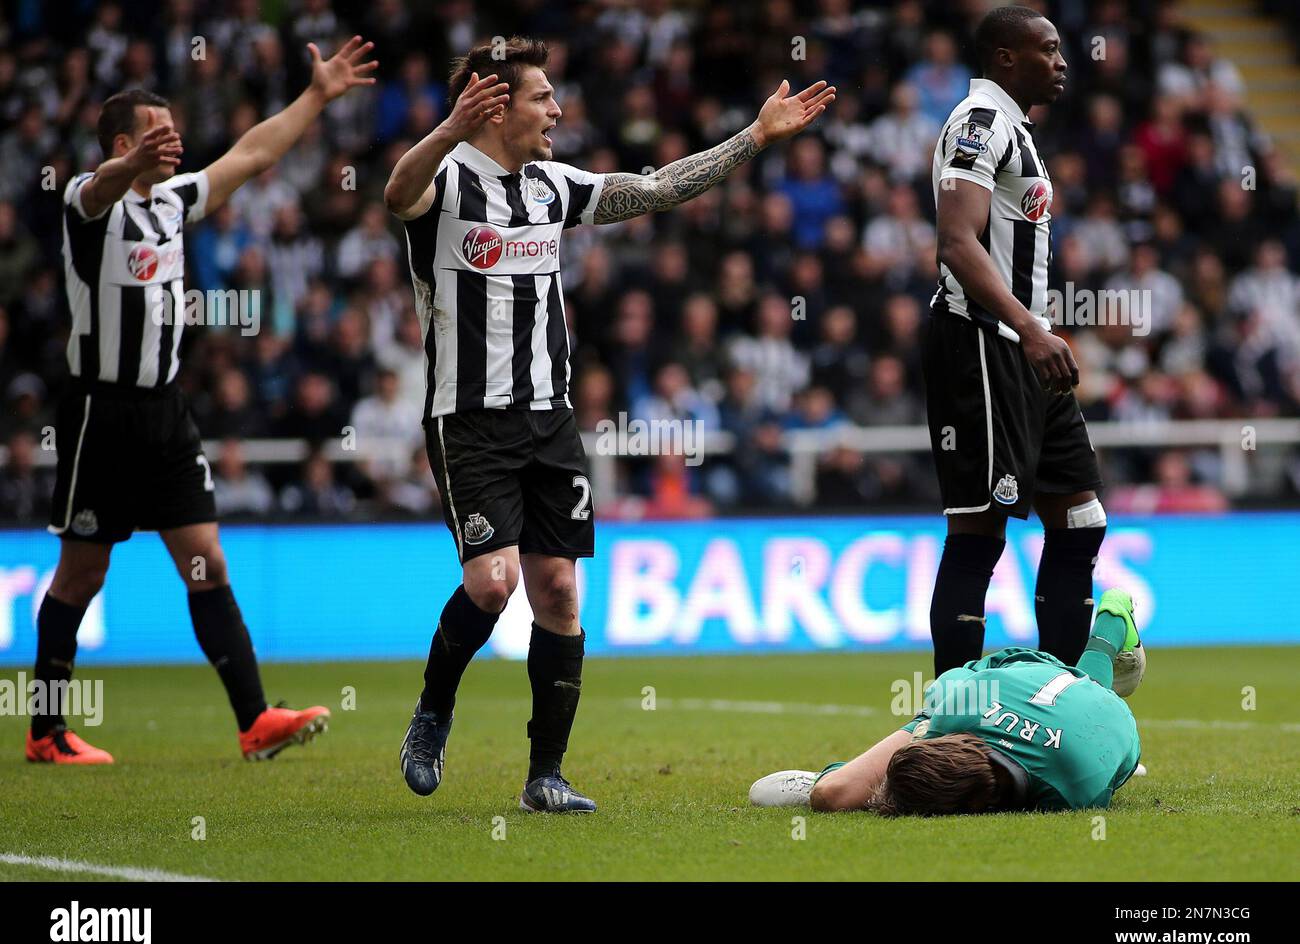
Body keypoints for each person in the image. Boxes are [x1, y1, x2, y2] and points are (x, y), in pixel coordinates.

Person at [384, 35, 834, 813]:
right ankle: (433, 711)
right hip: (470, 422)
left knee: (559, 591)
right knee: (492, 583)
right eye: (542, 97)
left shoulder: (552, 187)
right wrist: (451, 126)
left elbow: (655, 188)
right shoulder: (445, 183)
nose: (557, 110)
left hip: (551, 422)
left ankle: (545, 775)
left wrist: (755, 137)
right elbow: (397, 192)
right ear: (496, 106)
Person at [29, 36, 378, 766]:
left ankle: (256, 721)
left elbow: (252, 153)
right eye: (156, 133)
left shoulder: (174, 201)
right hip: (101, 413)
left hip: (165, 412)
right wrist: (130, 163)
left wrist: (316, 95)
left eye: (173, 131)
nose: (174, 142)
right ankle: (45, 729)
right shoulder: (89, 203)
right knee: (82, 574)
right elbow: (100, 186)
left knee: (207, 561)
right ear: (122, 143)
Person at [924, 6, 1105, 679]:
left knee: (1081, 519)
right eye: (1048, 50)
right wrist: (1030, 328)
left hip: (1029, 346)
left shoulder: (1015, 129)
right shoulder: (978, 123)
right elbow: (955, 241)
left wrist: (1037, 330)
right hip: (983, 341)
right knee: (980, 530)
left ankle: (1058, 702)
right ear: (1005, 56)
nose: (1062, 62)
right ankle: (950, 717)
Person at [750, 589, 1146, 814]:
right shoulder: (955, 715)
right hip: (1023, 683)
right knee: (1085, 688)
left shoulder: (1074, 793)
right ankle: (1112, 617)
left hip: (1062, 700)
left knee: (832, 794)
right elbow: (955, 678)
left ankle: (840, 776)